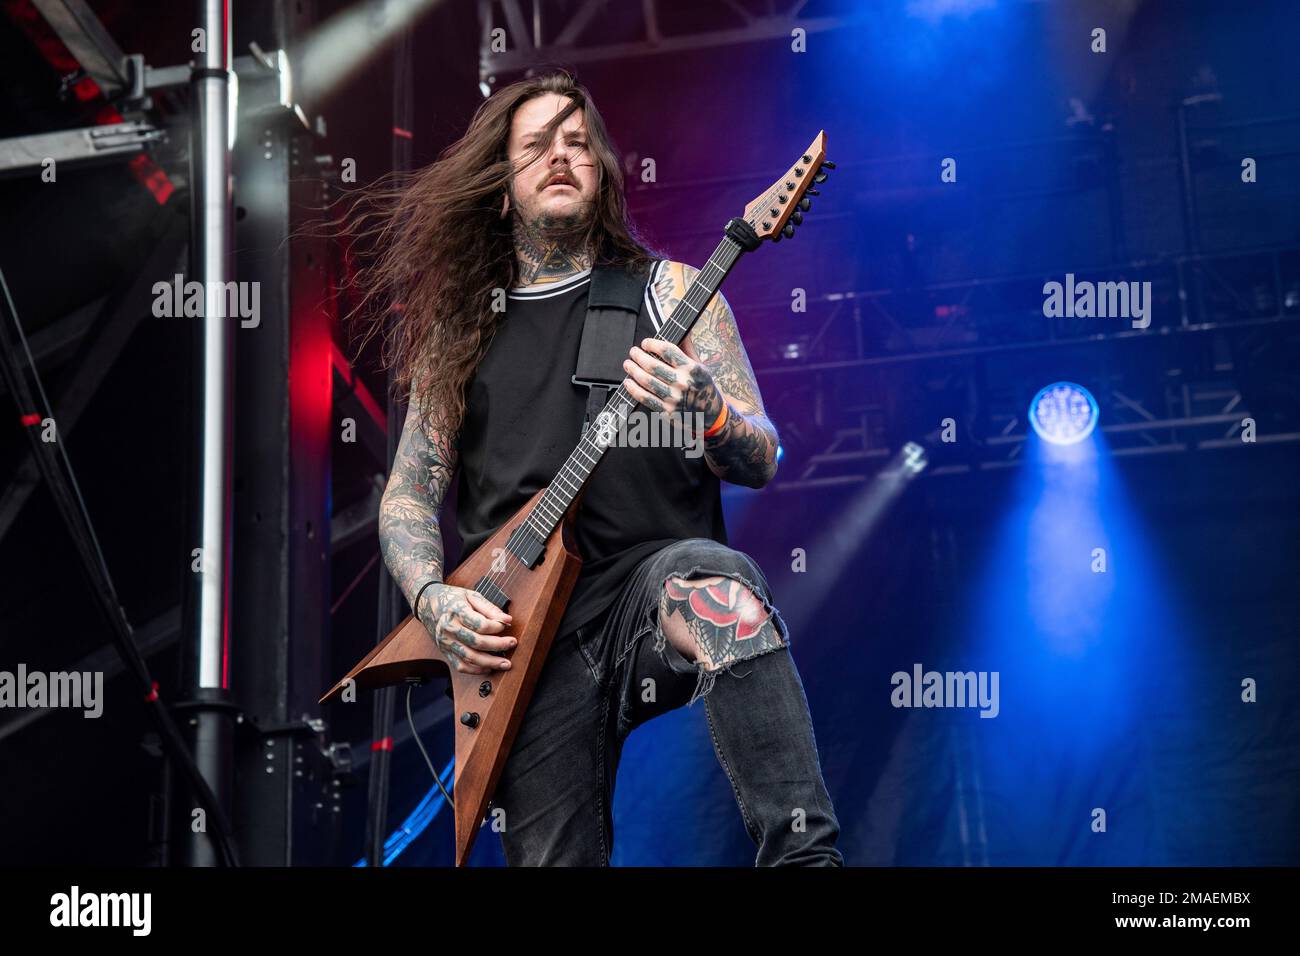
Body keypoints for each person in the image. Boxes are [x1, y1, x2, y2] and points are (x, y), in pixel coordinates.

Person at [360, 71, 841, 866]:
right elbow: (409, 493)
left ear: (605, 172)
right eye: (537, 143)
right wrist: (434, 596)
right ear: (501, 184)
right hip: (519, 636)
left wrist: (709, 409)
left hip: (649, 584)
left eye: (578, 142)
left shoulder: (674, 293)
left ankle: (805, 859)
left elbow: (762, 455)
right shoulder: (459, 331)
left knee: (724, 592)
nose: (561, 154)